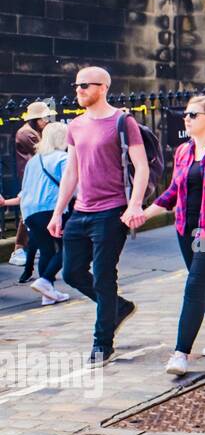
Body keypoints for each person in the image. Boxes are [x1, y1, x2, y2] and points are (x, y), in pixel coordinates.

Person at [127, 96, 205, 376]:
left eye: (193, 114)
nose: (186, 118)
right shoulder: (183, 152)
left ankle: (181, 354)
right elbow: (173, 192)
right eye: (186, 114)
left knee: (194, 285)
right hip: (187, 228)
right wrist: (142, 213)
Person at [47, 67, 149, 365]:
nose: (78, 90)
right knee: (71, 273)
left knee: (104, 277)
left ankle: (102, 343)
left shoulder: (122, 121)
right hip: (81, 211)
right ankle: (118, 307)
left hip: (111, 211)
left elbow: (140, 166)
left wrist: (135, 205)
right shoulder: (75, 126)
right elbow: (71, 171)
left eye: (84, 85)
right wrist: (57, 213)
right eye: (76, 85)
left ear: (103, 87)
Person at [11, 121, 71, 304]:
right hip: (52, 209)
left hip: (30, 212)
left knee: (46, 251)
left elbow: (25, 189)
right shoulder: (63, 158)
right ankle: (45, 281)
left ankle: (48, 295)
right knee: (70, 246)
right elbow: (70, 187)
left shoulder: (33, 161)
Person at [8, 100, 53, 281]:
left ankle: (27, 248)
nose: (46, 121)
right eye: (44, 118)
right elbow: (43, 150)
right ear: (36, 119)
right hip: (31, 176)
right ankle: (19, 248)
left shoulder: (34, 131)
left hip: (35, 175)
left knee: (29, 210)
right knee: (26, 211)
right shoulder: (26, 133)